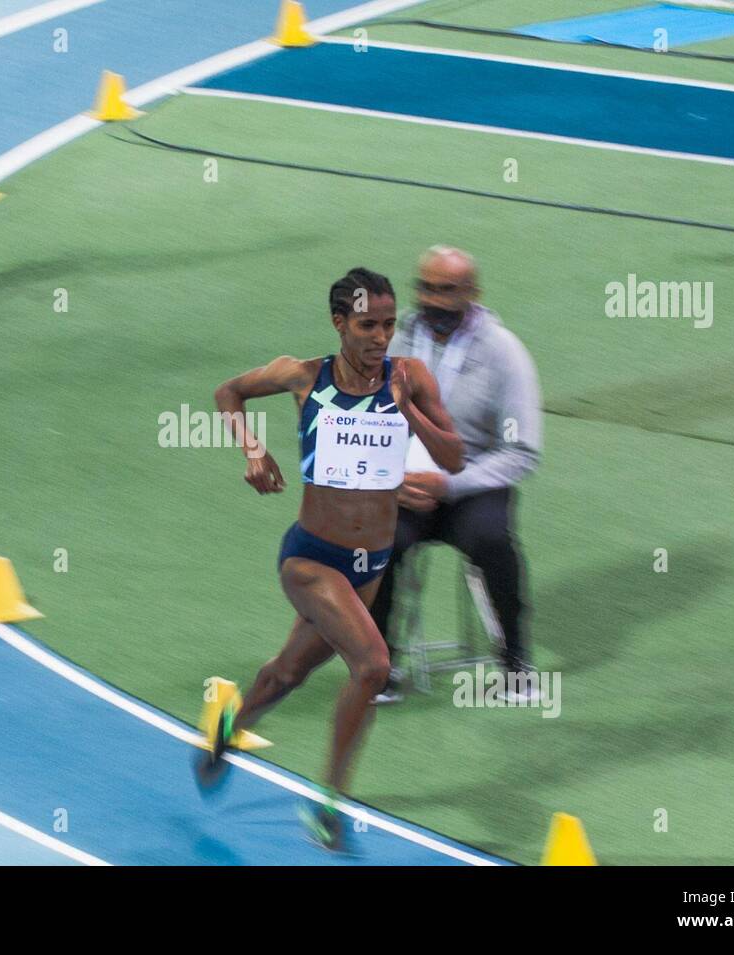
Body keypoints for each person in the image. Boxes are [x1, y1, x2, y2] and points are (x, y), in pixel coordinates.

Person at [196, 267, 463, 850]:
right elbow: (228, 392)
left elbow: (455, 456)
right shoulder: (303, 376)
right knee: (371, 666)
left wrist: (409, 414)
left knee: (288, 674)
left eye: (390, 324)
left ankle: (227, 727)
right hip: (311, 559)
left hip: (371, 565)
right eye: (368, 324)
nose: (380, 337)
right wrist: (252, 450)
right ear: (339, 323)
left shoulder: (409, 377)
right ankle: (330, 806)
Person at [368, 247, 542, 704]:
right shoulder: (396, 339)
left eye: (447, 290)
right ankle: (380, 666)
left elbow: (522, 450)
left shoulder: (505, 353)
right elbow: (366, 420)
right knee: (374, 542)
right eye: (425, 288)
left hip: (474, 483)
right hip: (405, 483)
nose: (434, 300)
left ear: (473, 293)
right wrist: (392, 477)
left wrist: (452, 485)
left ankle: (516, 663)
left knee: (492, 542)